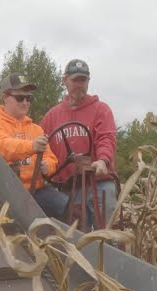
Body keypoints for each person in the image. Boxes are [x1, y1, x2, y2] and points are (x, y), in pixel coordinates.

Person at [41, 59, 118, 229]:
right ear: (65, 80)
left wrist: (103, 160)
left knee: (107, 239)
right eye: (75, 80)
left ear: (88, 82)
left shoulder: (101, 110)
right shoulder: (52, 116)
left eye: (83, 80)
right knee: (75, 242)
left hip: (99, 183)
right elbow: (40, 145)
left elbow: (106, 138)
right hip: (70, 188)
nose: (79, 85)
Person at [0, 72, 68, 218]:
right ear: (5, 98)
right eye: (20, 97)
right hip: (5, 195)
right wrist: (31, 147)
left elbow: (51, 158)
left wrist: (48, 166)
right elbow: (2, 147)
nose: (25, 102)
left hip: (36, 193)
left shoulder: (36, 129)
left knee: (67, 206)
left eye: (29, 98)